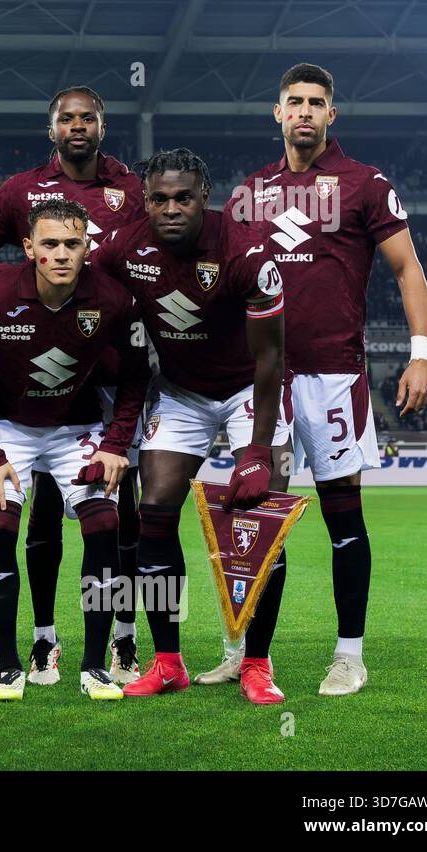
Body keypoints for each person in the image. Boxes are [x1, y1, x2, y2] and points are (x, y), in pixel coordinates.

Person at [219, 62, 427, 696]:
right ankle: (249, 653)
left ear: (331, 115)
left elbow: (408, 269)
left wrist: (420, 353)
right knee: (263, 516)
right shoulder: (249, 192)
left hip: (336, 376)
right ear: (277, 113)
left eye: (317, 102)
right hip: (265, 380)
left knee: (344, 518)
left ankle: (349, 654)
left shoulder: (366, 185)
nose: (306, 112)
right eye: (295, 102)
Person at [0, 85, 148, 686]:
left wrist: (116, 439)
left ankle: (116, 648)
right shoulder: (14, 208)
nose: (79, 126)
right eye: (68, 118)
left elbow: (138, 372)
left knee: (123, 518)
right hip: (12, 416)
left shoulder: (131, 194)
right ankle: (26, 654)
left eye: (89, 117)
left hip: (95, 397)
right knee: (14, 521)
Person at [95, 148, 291, 703]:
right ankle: (167, 662)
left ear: (206, 198)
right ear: (146, 201)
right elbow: (84, 294)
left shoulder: (248, 252)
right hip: (181, 392)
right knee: (154, 513)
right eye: (159, 199)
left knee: (261, 525)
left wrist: (254, 451)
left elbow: (271, 359)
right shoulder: (123, 248)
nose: (171, 209)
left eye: (183, 198)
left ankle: (256, 662)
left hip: (249, 387)